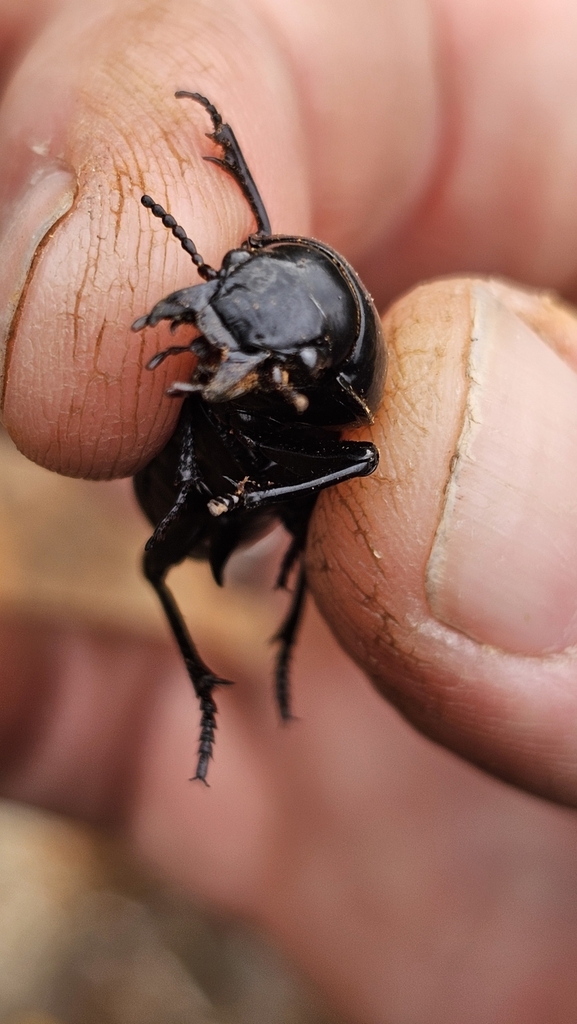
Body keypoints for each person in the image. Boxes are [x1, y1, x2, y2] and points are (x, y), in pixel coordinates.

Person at [1, 0, 577, 1020]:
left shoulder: (333, 392)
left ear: (305, 363)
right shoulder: (276, 273)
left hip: (256, 483)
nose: (211, 326)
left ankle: (231, 671)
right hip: (204, 464)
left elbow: (351, 464)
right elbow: (260, 252)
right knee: (162, 551)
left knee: (338, 485)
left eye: (247, 341)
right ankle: (224, 666)